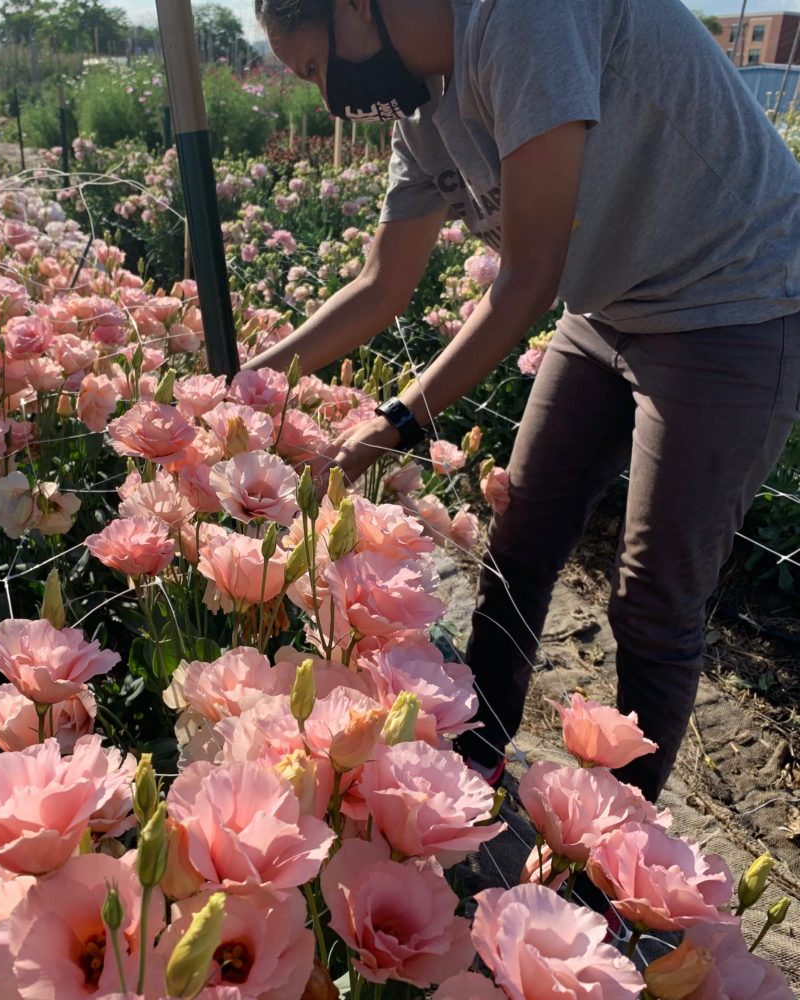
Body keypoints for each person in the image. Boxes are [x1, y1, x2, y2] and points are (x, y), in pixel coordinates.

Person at [246, 0, 800, 801]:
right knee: (521, 539)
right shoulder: (422, 105)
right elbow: (381, 283)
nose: (327, 97)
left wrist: (396, 422)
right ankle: (472, 770)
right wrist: (246, 386)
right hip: (610, 306)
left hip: (733, 297)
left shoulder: (521, 16)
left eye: (313, 68)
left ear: (355, 7)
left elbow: (530, 279)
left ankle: (619, 873)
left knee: (652, 600)